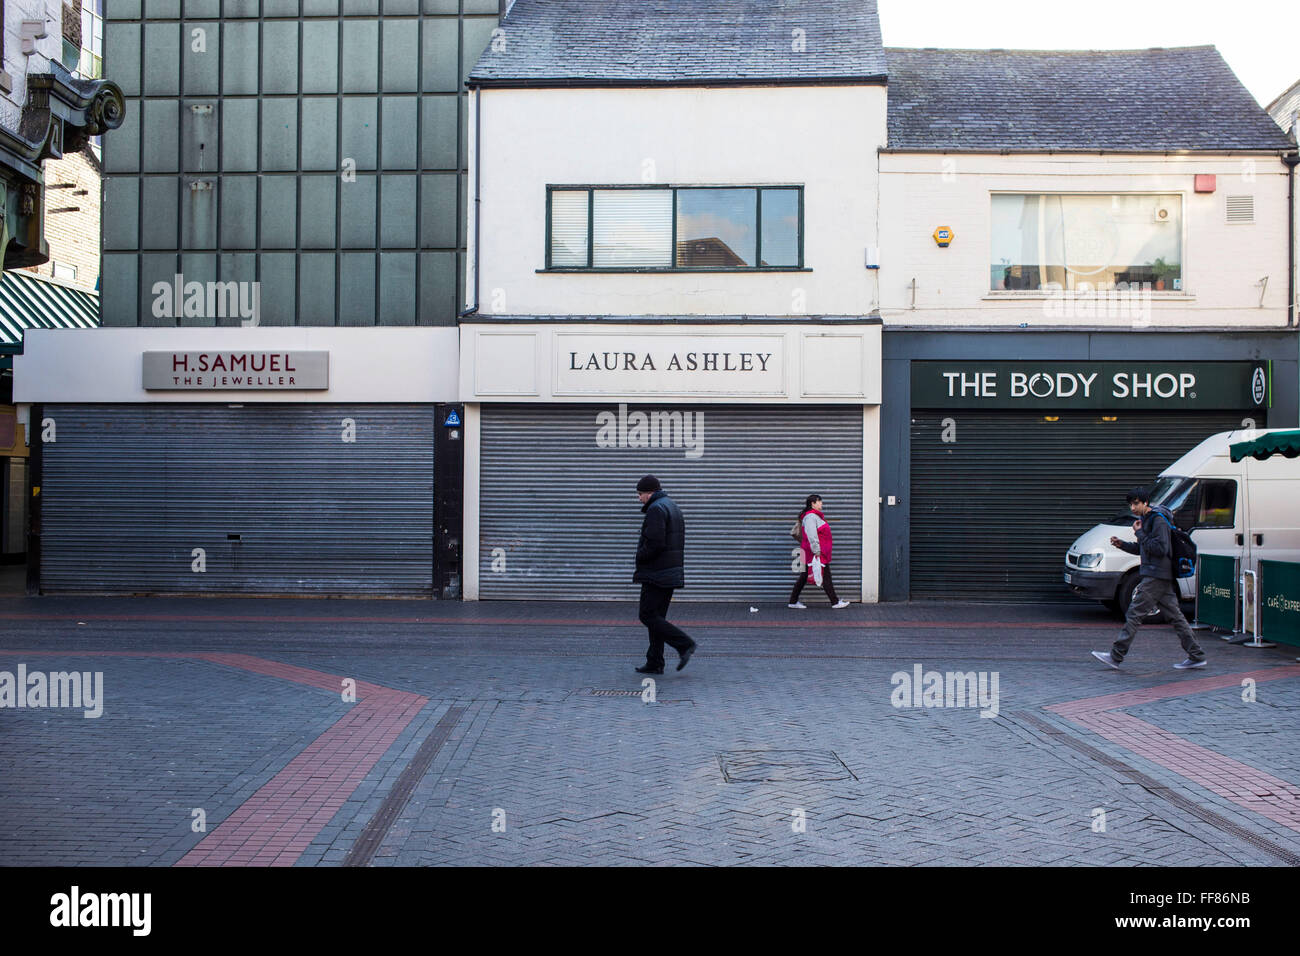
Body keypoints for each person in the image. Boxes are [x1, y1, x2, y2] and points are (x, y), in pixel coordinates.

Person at [1092, 487, 1206, 670]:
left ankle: (1116, 656)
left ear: (1146, 502)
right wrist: (1122, 545)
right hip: (1158, 575)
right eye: (1130, 504)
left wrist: (1139, 533)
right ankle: (1197, 655)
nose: (1133, 508)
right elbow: (1144, 548)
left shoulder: (1157, 520)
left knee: (1134, 613)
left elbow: (1161, 549)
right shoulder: (1146, 520)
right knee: (1176, 617)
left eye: (1136, 503)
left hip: (1155, 575)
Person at [632, 475, 697, 675]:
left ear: (649, 493)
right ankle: (655, 661)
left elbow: (655, 543)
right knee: (656, 617)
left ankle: (684, 644)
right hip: (669, 571)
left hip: (657, 572)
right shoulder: (672, 506)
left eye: (640, 494)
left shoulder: (656, 509)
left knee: (647, 615)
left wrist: (640, 557)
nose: (639, 499)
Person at [789, 494, 850, 609]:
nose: (821, 503)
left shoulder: (814, 516)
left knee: (804, 577)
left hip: (810, 551)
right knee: (826, 576)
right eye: (819, 501)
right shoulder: (811, 517)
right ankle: (835, 602)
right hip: (814, 553)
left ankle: (793, 601)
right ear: (813, 504)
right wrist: (816, 551)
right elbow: (812, 535)